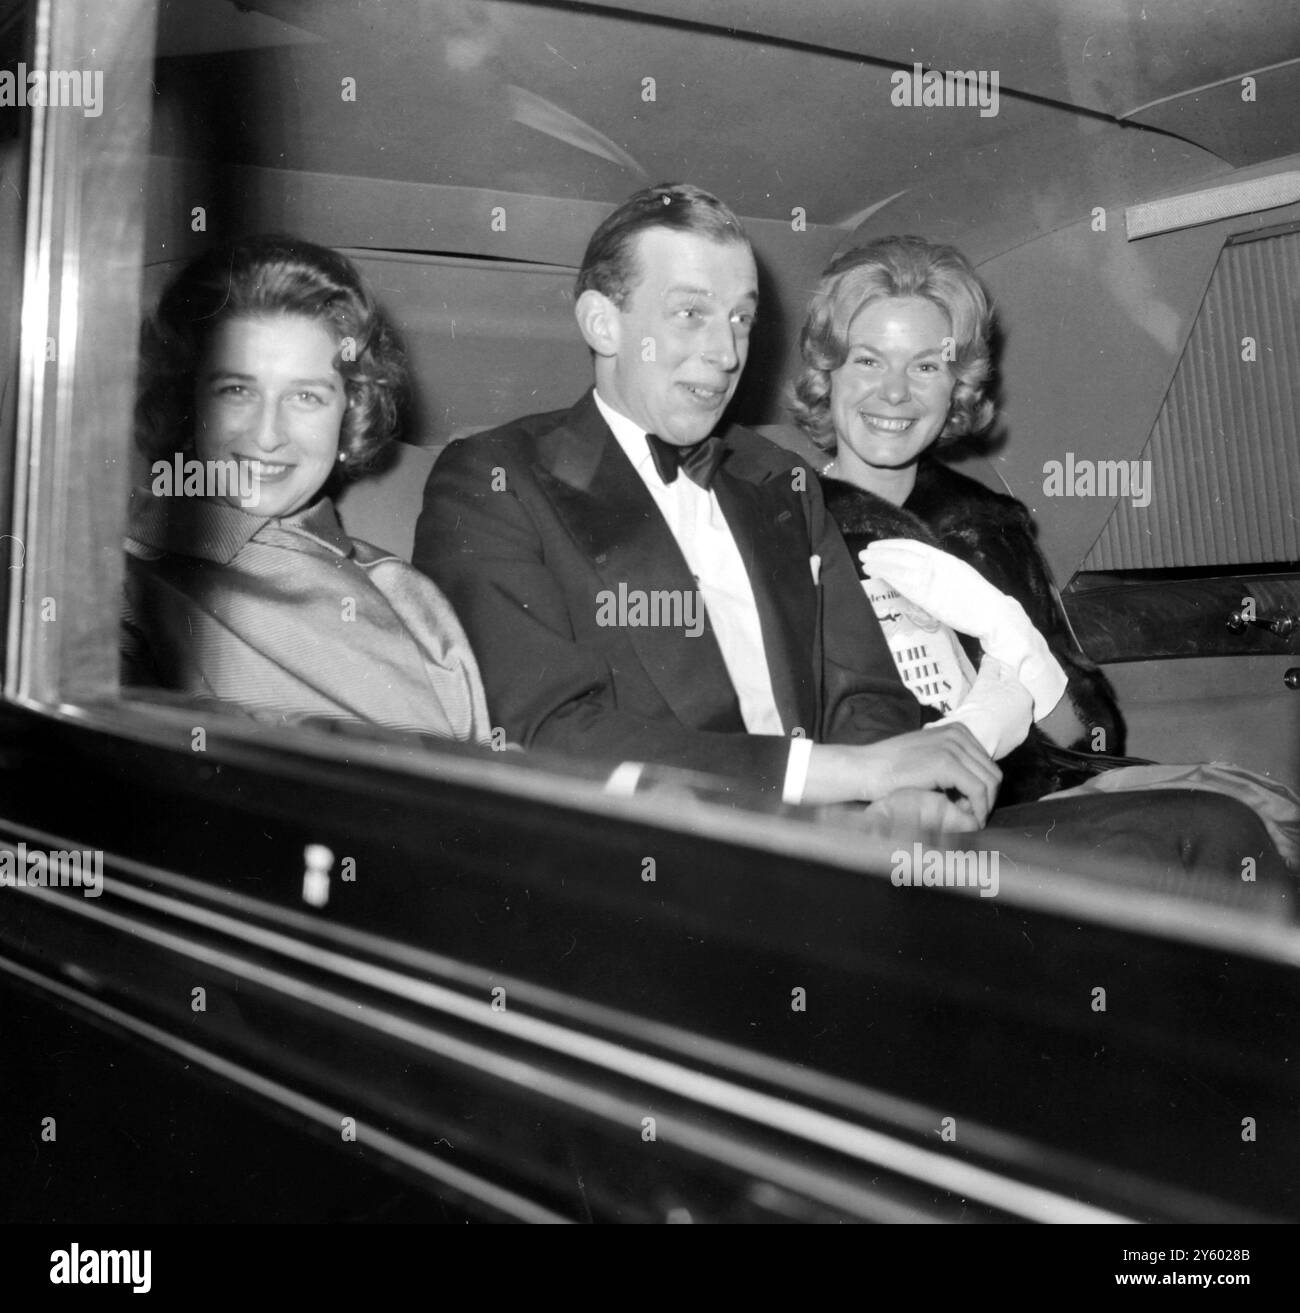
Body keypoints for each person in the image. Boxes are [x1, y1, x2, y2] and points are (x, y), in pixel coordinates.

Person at [414, 184, 1001, 830]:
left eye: (741, 319)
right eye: (691, 313)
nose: (726, 355)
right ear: (602, 322)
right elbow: (543, 733)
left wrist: (892, 804)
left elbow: (866, 692)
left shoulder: (781, 480)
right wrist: (846, 774)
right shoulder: (496, 479)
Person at [790, 235, 1131, 802]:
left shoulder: (985, 526)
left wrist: (1011, 634)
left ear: (958, 388)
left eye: (925, 365)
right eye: (869, 360)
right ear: (829, 375)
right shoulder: (783, 526)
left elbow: (1090, 743)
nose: (895, 392)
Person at [122, 234, 493, 746]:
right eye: (237, 390)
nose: (268, 434)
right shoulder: (123, 580)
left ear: (350, 412)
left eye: (306, 396)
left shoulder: (410, 598)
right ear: (187, 403)